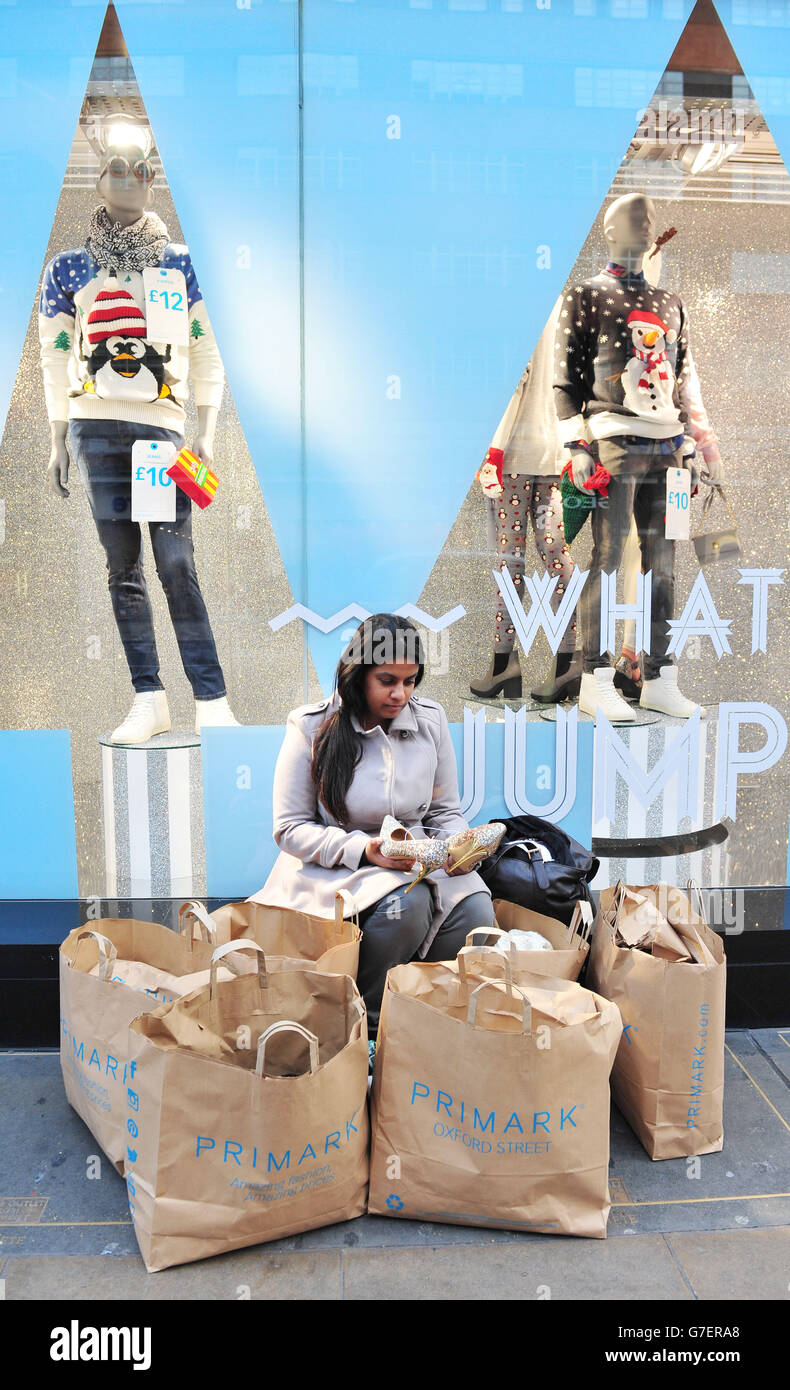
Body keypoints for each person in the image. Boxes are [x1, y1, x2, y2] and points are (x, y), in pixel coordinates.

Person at [38, 115, 239, 743]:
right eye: (117, 169)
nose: (130, 181)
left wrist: (204, 428)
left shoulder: (179, 264)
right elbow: (54, 351)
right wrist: (56, 434)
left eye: (141, 170)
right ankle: (149, 696)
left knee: (175, 560)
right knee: (121, 567)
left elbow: (206, 348)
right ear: (99, 182)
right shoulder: (69, 269)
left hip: (160, 433)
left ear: (153, 179)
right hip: (95, 427)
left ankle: (210, 697)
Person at [251, 613, 496, 1037]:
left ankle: (421, 1015)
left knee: (477, 911)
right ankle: (365, 1021)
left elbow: (443, 812)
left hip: (418, 859)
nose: (401, 694)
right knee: (408, 906)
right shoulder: (311, 725)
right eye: (387, 680)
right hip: (335, 868)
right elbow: (289, 828)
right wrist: (363, 850)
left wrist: (461, 846)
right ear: (358, 674)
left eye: (411, 681)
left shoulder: (431, 721)